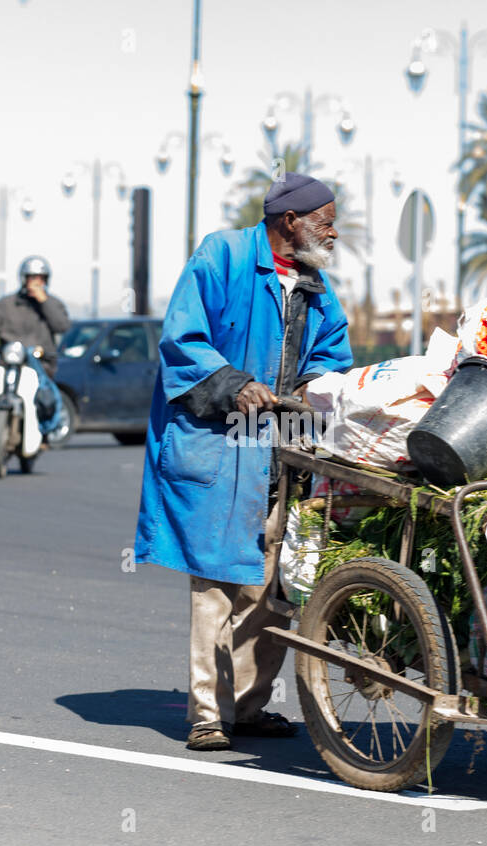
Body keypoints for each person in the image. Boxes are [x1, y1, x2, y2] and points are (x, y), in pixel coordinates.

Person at [134, 173, 354, 752]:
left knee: (268, 585)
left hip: (280, 449)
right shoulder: (222, 256)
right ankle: (207, 713)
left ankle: (250, 707)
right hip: (219, 442)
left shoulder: (314, 286)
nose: (333, 232)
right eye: (325, 220)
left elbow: (331, 356)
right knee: (216, 582)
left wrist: (314, 391)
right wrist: (235, 384)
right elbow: (183, 339)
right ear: (290, 221)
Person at [0, 255, 70, 441]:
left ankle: (37, 437)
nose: (35, 282)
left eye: (40, 278)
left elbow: (62, 326)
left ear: (45, 280)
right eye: (31, 277)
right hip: (8, 364)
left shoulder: (53, 304)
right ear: (24, 279)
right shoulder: (7, 304)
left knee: (31, 394)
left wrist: (44, 302)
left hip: (39, 364)